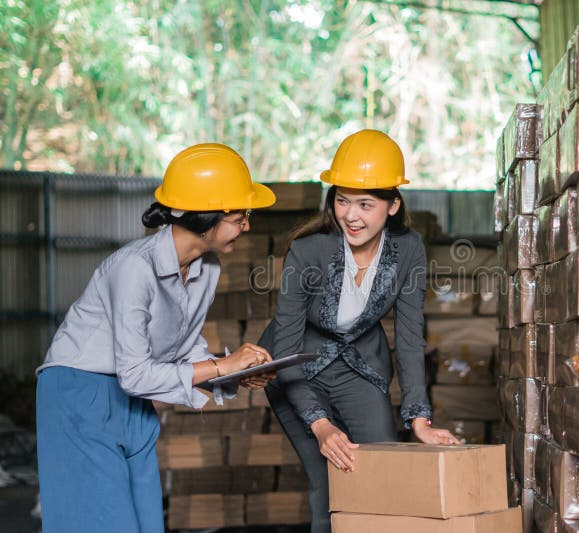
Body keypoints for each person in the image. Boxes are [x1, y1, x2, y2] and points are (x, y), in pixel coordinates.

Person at [35, 143, 278, 533]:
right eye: (240, 215)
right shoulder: (135, 268)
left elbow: (183, 351)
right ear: (205, 215)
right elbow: (135, 373)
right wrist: (221, 365)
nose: (247, 225)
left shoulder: (207, 269)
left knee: (147, 524)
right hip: (78, 394)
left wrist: (234, 374)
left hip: (132, 404)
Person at [258, 129, 459, 533]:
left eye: (366, 204)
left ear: (392, 205)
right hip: (296, 367)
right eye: (343, 200)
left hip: (360, 368)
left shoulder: (408, 249)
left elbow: (408, 334)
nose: (351, 215)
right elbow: (285, 340)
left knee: (377, 475)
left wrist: (418, 417)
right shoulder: (308, 250)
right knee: (327, 486)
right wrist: (320, 424)